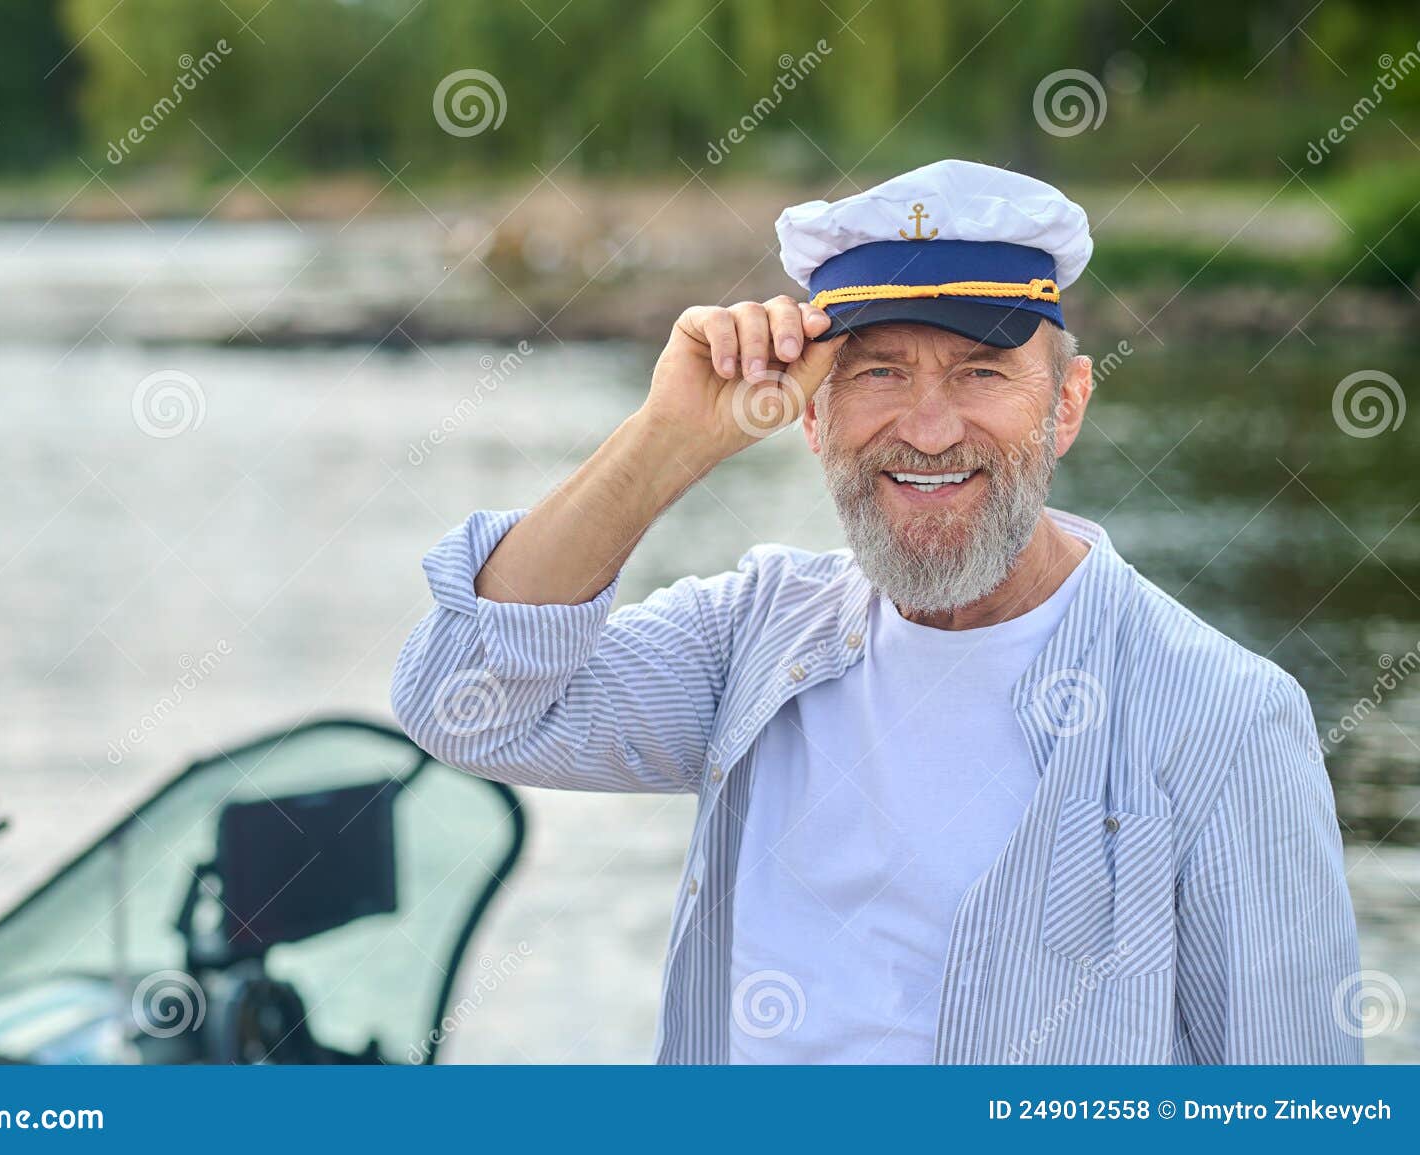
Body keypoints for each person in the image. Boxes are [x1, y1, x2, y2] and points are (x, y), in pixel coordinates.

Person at [390, 159, 1362, 1064]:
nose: (929, 429)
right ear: (810, 415)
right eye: (877, 372)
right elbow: (462, 705)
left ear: (1064, 405)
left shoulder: (1222, 719)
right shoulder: (756, 637)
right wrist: (664, 443)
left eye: (981, 372)